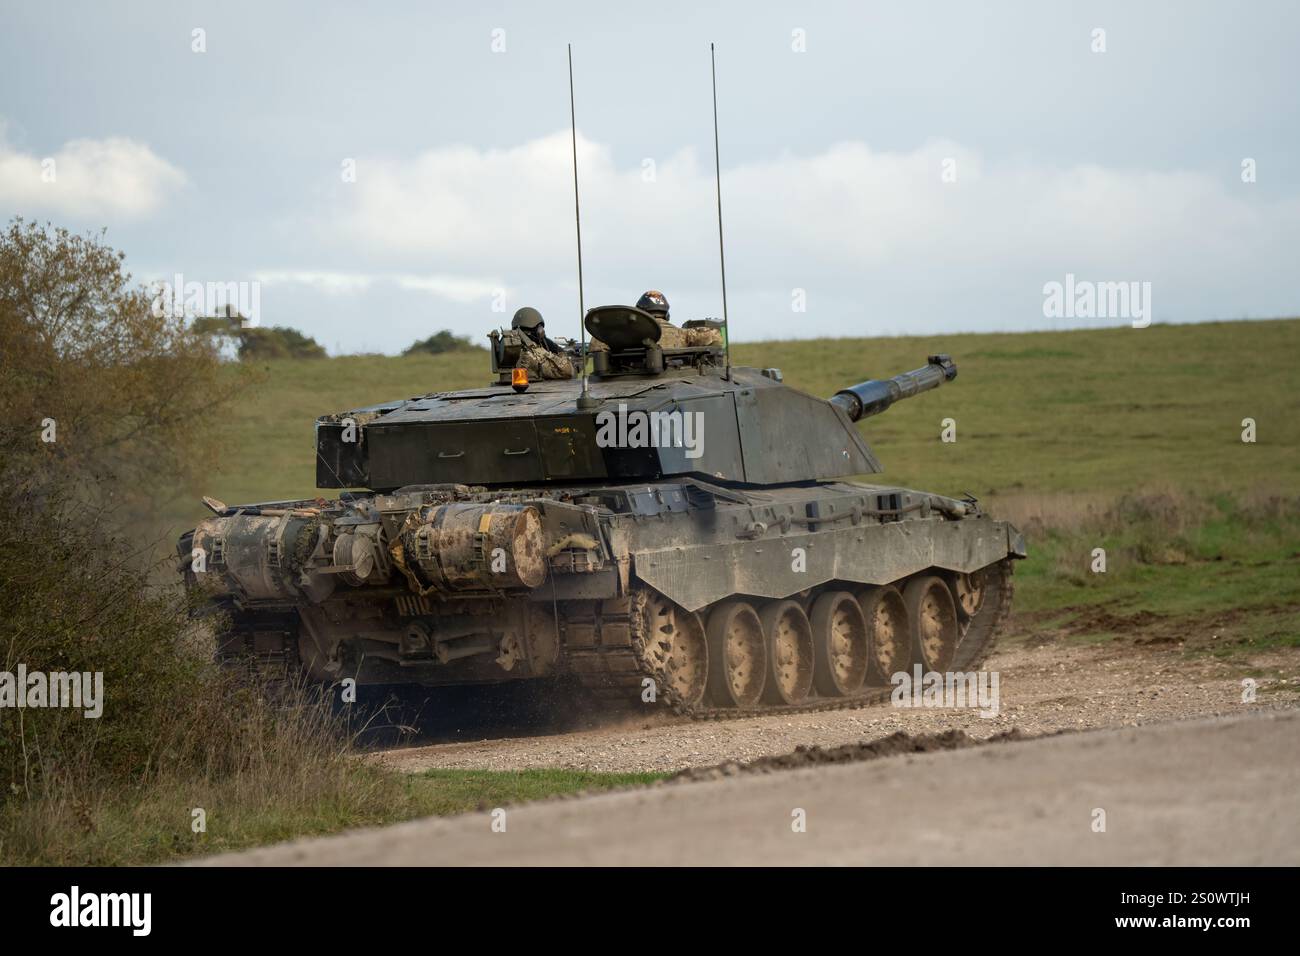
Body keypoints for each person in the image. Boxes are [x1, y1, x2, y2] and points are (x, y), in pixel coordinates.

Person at [634, 290, 722, 348]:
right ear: (666, 315)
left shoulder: (631, 335)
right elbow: (716, 336)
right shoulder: (684, 335)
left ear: (641, 314)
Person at [511, 307, 574, 379]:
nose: (542, 331)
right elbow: (567, 371)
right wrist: (556, 353)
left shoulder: (517, 347)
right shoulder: (528, 354)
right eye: (539, 328)